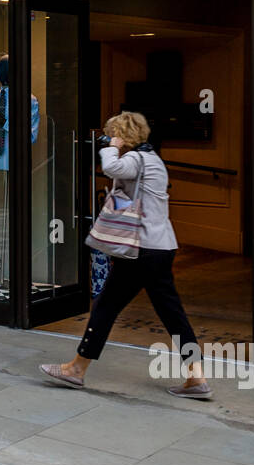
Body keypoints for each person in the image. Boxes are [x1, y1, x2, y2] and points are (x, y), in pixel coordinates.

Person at [40, 111, 210, 399]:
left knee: (107, 305)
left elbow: (112, 169)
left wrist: (110, 147)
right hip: (158, 247)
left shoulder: (135, 160)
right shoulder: (152, 159)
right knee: (170, 313)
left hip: (140, 249)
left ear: (123, 135)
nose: (109, 138)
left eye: (113, 133)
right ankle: (196, 376)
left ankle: (76, 370)